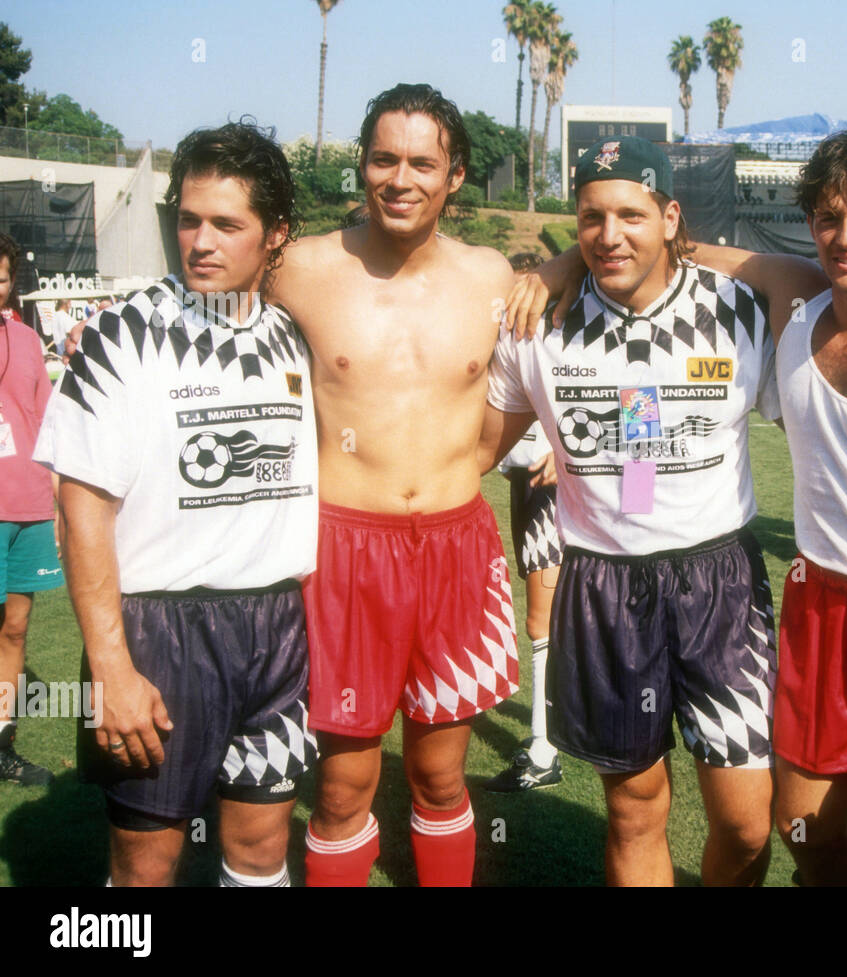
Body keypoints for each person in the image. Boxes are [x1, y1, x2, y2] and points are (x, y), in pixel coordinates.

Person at [504, 129, 847, 887]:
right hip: (798, 603)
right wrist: (578, 255)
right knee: (793, 823)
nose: (846, 237)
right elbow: (658, 281)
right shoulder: (798, 311)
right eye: (829, 219)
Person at [483, 135, 780, 886]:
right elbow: (475, 451)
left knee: (746, 825)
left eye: (630, 214)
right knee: (635, 810)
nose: (608, 234)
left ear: (671, 214)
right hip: (604, 584)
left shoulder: (741, 310)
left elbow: (817, 283)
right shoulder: (537, 324)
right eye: (590, 218)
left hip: (721, 585)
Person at [34, 121, 318, 886]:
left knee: (260, 850)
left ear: (275, 234)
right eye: (189, 219)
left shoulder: (297, 335)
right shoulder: (121, 337)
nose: (201, 241)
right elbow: (81, 507)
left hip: (276, 626)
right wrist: (110, 668)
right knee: (145, 863)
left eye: (228, 224)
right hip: (161, 628)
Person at [270, 83, 518, 887]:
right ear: (362, 166)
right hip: (341, 552)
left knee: (442, 777)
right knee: (341, 790)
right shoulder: (301, 268)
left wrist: (472, 463)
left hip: (455, 549)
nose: (399, 178)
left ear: (455, 176)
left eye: (422, 162)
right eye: (383, 159)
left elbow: (511, 397)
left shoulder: (492, 277)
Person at [485, 252, 563, 793]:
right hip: (524, 487)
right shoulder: (512, 341)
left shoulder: (557, 341)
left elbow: (638, 424)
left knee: (542, 622)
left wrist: (569, 448)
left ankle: (545, 750)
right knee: (548, 618)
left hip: (553, 496)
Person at [0, 233, 61, 787]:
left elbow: (45, 422)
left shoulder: (25, 338)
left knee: (15, 628)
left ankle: (3, 745)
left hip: (28, 502)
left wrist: (57, 496)